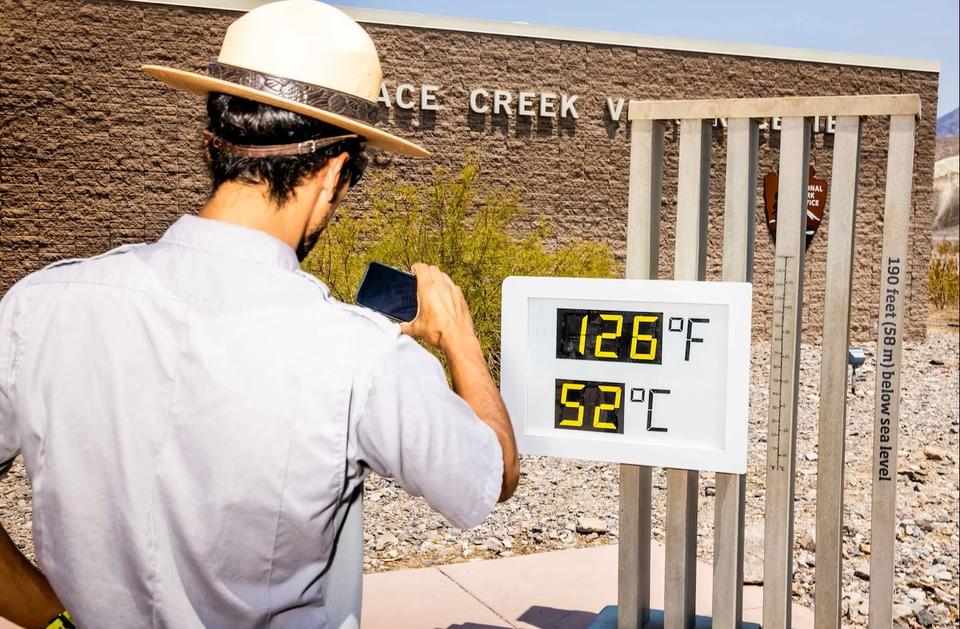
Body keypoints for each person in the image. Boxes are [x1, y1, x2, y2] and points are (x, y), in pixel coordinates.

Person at [0, 1, 519, 627]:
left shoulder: (39, 307)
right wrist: (461, 341)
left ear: (211, 143)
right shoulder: (360, 355)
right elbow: (490, 477)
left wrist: (46, 614)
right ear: (331, 177)